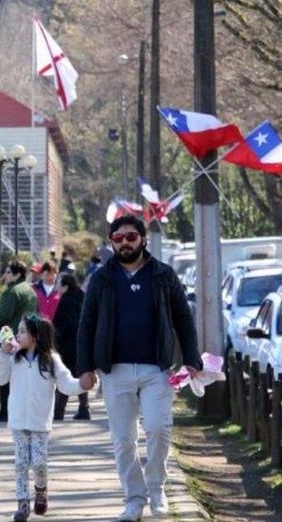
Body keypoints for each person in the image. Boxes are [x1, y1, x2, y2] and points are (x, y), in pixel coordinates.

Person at [75, 215, 202, 521]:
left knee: (159, 428)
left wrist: (192, 358)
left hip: (156, 368)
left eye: (131, 236)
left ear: (143, 239)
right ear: (111, 242)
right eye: (118, 238)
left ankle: (156, 487)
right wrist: (85, 367)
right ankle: (134, 498)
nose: (125, 243)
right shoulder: (101, 279)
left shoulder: (163, 275)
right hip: (114, 370)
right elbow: (87, 323)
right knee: (123, 440)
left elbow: (183, 318)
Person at [0, 314, 87, 522]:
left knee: (39, 462)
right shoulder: (13, 358)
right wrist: (2, 354)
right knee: (21, 463)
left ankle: (41, 490)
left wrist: (81, 385)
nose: (17, 335)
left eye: (23, 331)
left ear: (36, 336)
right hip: (18, 422)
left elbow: (66, 384)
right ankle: (22, 504)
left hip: (40, 423)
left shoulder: (51, 360)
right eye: (18, 330)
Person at [0, 260, 38, 422]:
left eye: (9, 272)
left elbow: (3, 315)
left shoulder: (12, 292)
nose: (6, 275)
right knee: (25, 375)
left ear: (17, 274)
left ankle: (4, 411)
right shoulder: (30, 290)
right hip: (28, 337)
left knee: (5, 376)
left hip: (10, 338)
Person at [52, 272, 88, 421]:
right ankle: (84, 409)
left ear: (65, 287)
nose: (56, 288)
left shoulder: (66, 301)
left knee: (64, 376)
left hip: (68, 345)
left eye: (58, 285)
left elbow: (64, 325)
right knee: (81, 375)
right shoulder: (82, 297)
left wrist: (54, 338)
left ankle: (58, 411)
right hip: (83, 344)